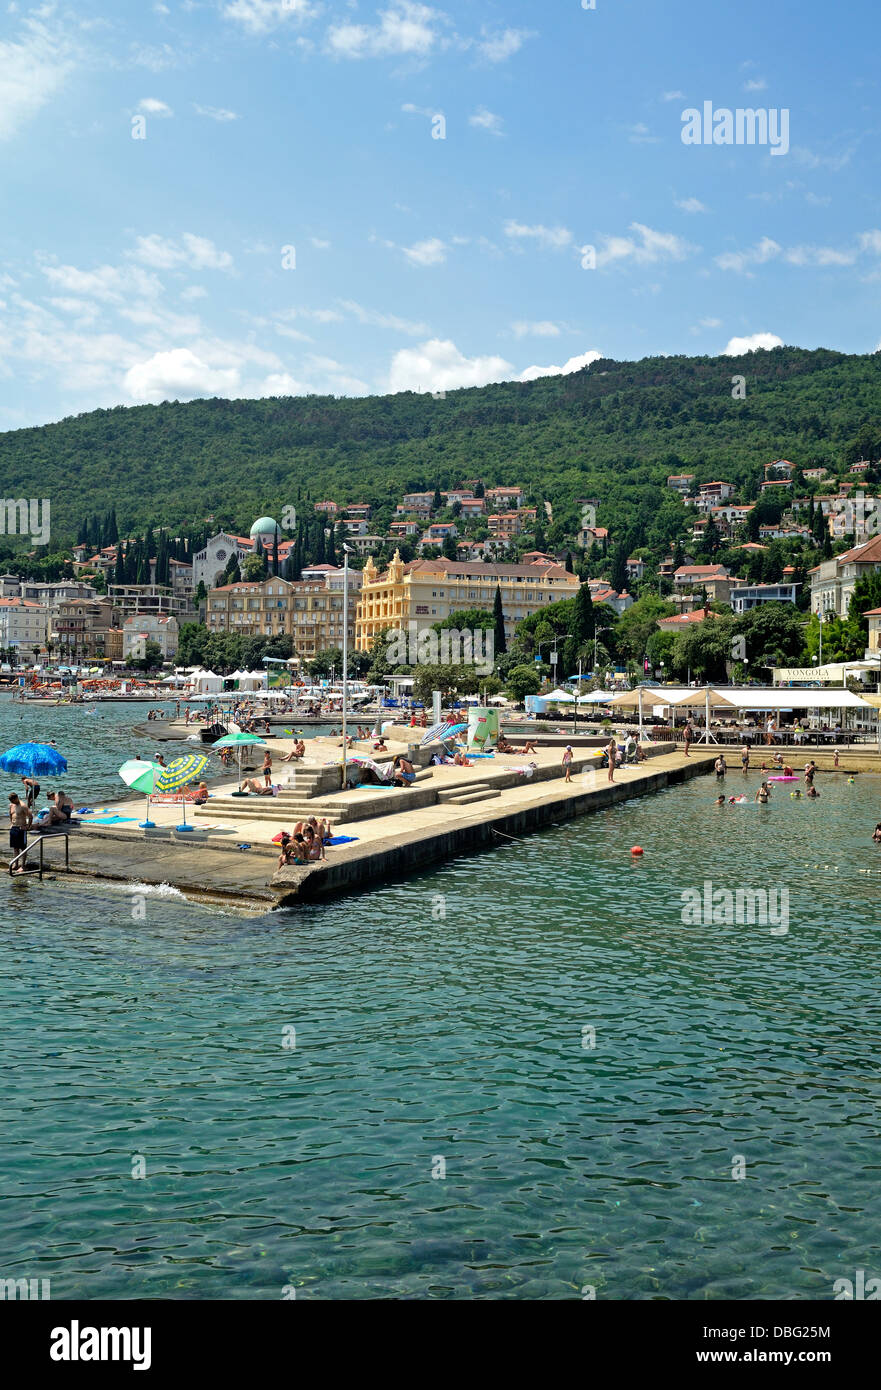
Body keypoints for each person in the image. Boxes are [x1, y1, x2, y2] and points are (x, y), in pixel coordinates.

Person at [8, 792, 31, 872]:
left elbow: (30, 816)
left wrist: (28, 826)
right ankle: (16, 864)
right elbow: (10, 815)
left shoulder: (23, 806)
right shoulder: (11, 805)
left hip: (21, 829)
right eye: (11, 801)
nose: (12, 803)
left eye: (13, 801)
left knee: (23, 848)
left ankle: (23, 866)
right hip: (14, 828)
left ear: (16, 798)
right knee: (15, 848)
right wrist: (11, 823)